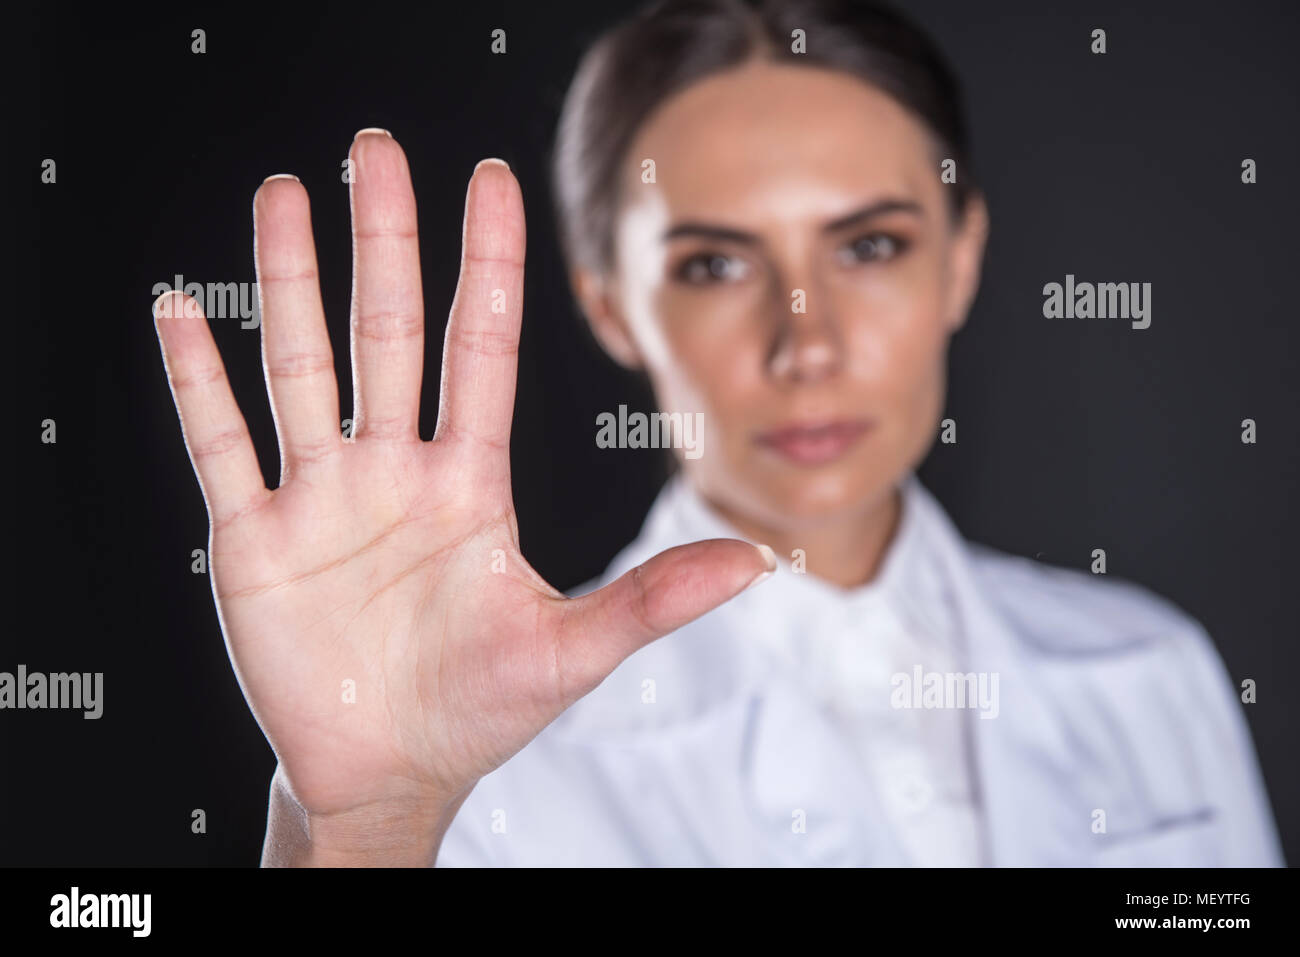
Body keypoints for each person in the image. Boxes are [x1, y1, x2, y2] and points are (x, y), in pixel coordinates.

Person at [151, 0, 1283, 866]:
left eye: (870, 245)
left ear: (964, 254)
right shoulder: (479, 758)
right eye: (714, 264)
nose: (807, 346)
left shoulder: (1152, 672)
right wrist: (367, 831)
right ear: (606, 302)